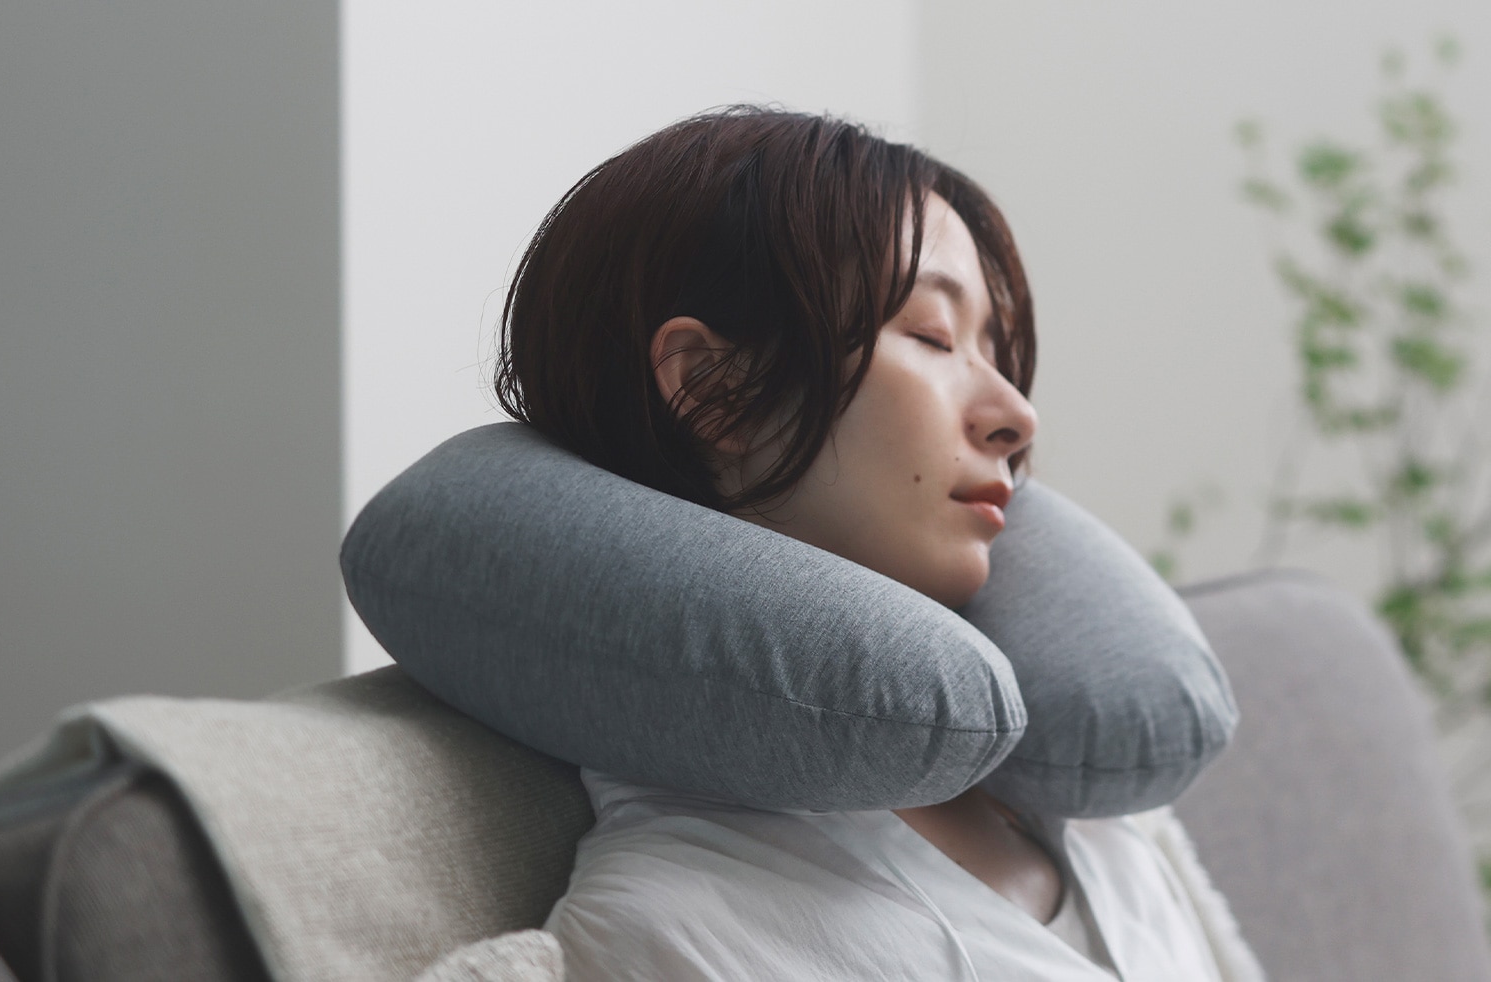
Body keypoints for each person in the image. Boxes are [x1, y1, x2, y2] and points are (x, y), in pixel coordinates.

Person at [453, 106, 1258, 981]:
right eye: (933, 337)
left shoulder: (1099, 806)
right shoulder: (692, 922)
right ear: (714, 388)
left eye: (995, 351)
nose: (1016, 417)